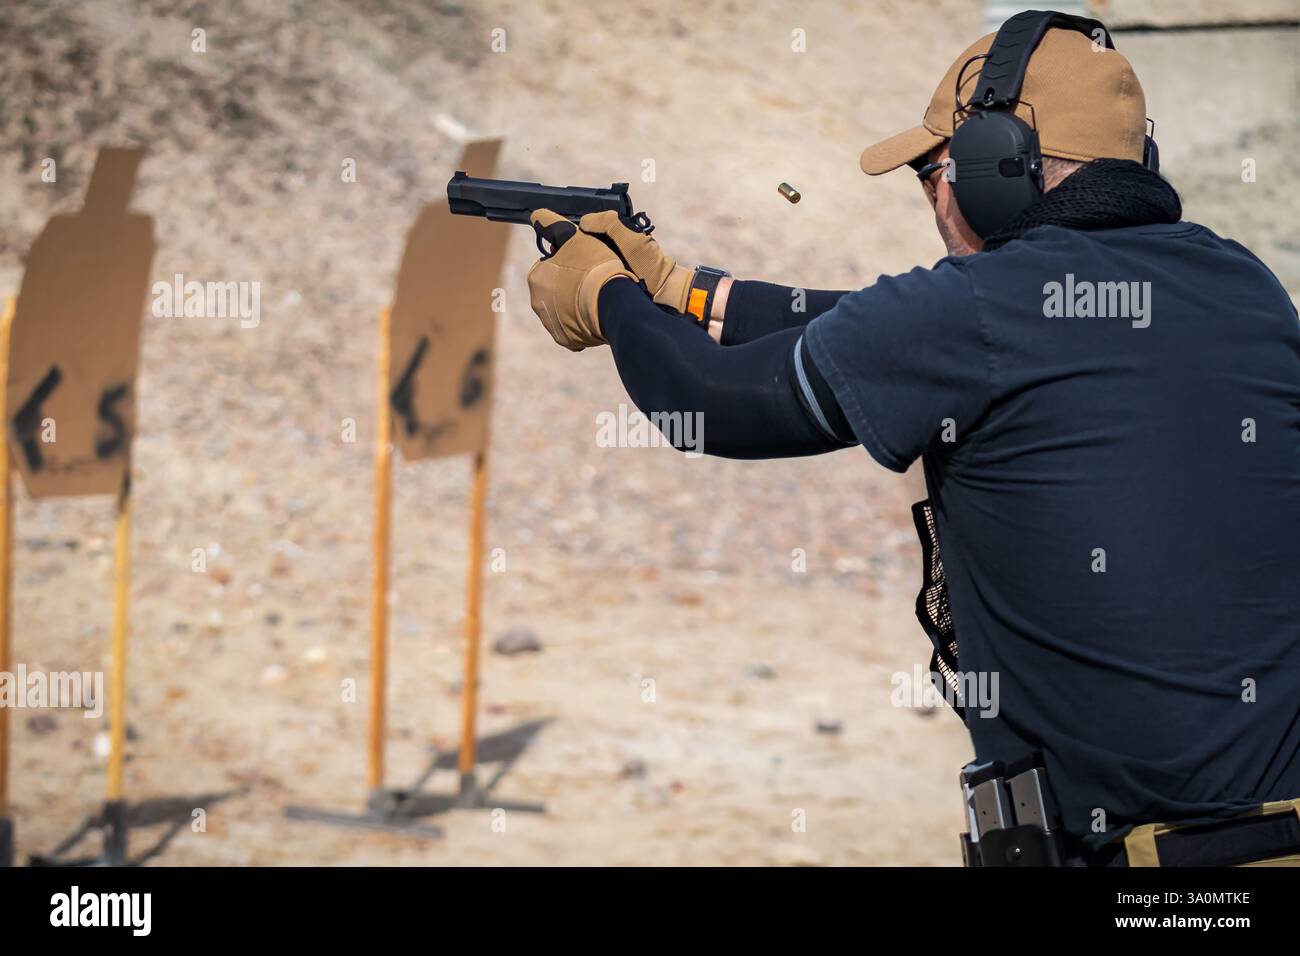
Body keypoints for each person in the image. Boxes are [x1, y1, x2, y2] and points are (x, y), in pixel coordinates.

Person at [524, 17, 1300, 866]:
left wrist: (604, 299)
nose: (934, 199)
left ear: (995, 167)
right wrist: (678, 290)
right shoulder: (1245, 290)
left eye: (935, 171)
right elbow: (888, 330)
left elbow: (705, 404)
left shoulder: (979, 314)